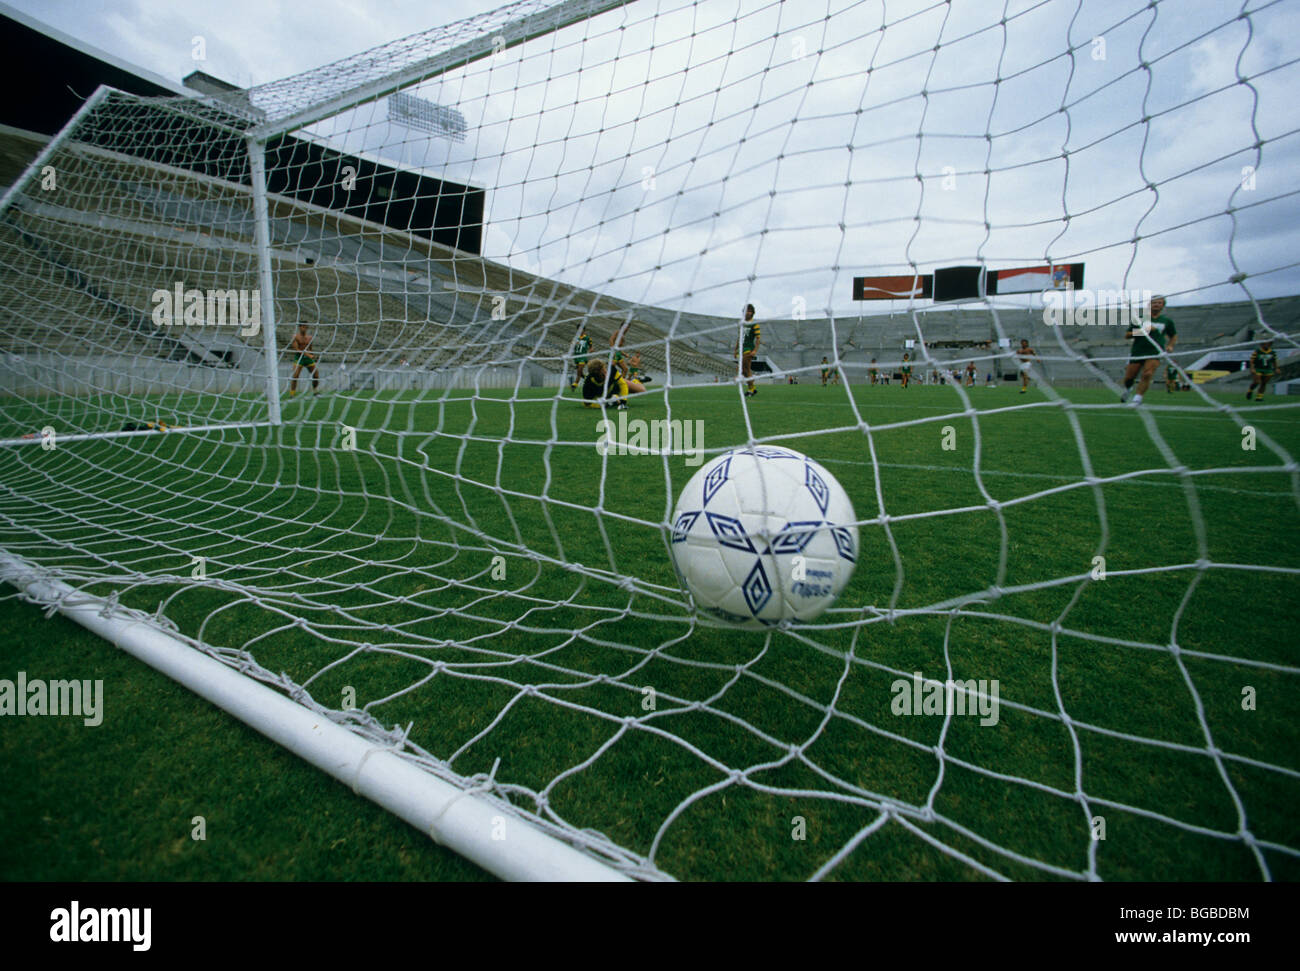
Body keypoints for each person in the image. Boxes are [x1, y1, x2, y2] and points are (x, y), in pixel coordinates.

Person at [1120, 295, 1176, 406]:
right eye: (1154, 302)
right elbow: (1127, 335)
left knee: (1147, 374)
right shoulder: (1140, 318)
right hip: (1138, 351)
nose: (1157, 304)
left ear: (1163, 305)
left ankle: (1137, 399)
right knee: (1129, 378)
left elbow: (1173, 335)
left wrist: (1170, 346)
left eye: (1159, 303)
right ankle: (1128, 389)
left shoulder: (1167, 321)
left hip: (1155, 351)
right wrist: (1143, 331)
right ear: (1149, 304)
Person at [735, 304, 760, 397]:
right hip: (740, 350)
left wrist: (755, 351)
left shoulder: (754, 324)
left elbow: (758, 338)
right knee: (746, 371)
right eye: (747, 311)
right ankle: (752, 389)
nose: (748, 313)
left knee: (742, 369)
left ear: (752, 313)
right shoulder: (742, 323)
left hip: (748, 350)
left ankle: (751, 390)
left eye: (750, 311)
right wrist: (735, 349)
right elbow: (739, 337)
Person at [288, 324, 320, 396]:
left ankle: (315, 391)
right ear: (299, 327)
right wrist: (308, 355)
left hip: (308, 359)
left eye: (305, 327)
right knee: (295, 375)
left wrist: (313, 356)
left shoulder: (309, 338)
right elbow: (297, 349)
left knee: (316, 375)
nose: (304, 329)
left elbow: (310, 348)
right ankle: (292, 394)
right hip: (299, 358)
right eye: (303, 327)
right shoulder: (295, 337)